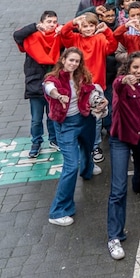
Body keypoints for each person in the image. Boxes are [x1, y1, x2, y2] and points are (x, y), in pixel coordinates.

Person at [45, 47, 106, 227]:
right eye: (70, 60)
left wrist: (100, 101)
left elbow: (92, 91)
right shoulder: (53, 78)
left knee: (88, 148)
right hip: (65, 125)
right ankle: (58, 211)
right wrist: (58, 96)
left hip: (84, 118)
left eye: (77, 61)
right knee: (71, 166)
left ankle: (87, 170)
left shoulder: (82, 76)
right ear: (63, 60)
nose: (73, 63)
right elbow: (49, 88)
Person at [106, 52, 140, 260]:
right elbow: (117, 84)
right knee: (118, 189)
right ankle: (114, 237)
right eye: (135, 67)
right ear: (128, 68)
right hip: (121, 139)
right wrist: (124, 79)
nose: (138, 71)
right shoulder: (122, 84)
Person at [13, 11, 61, 158]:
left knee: (52, 116)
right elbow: (17, 35)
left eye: (54, 22)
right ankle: (36, 142)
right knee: (36, 119)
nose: (52, 25)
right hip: (36, 85)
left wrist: (64, 28)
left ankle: (53, 140)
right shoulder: (32, 36)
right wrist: (34, 27)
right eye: (49, 22)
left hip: (52, 84)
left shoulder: (58, 37)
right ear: (42, 23)